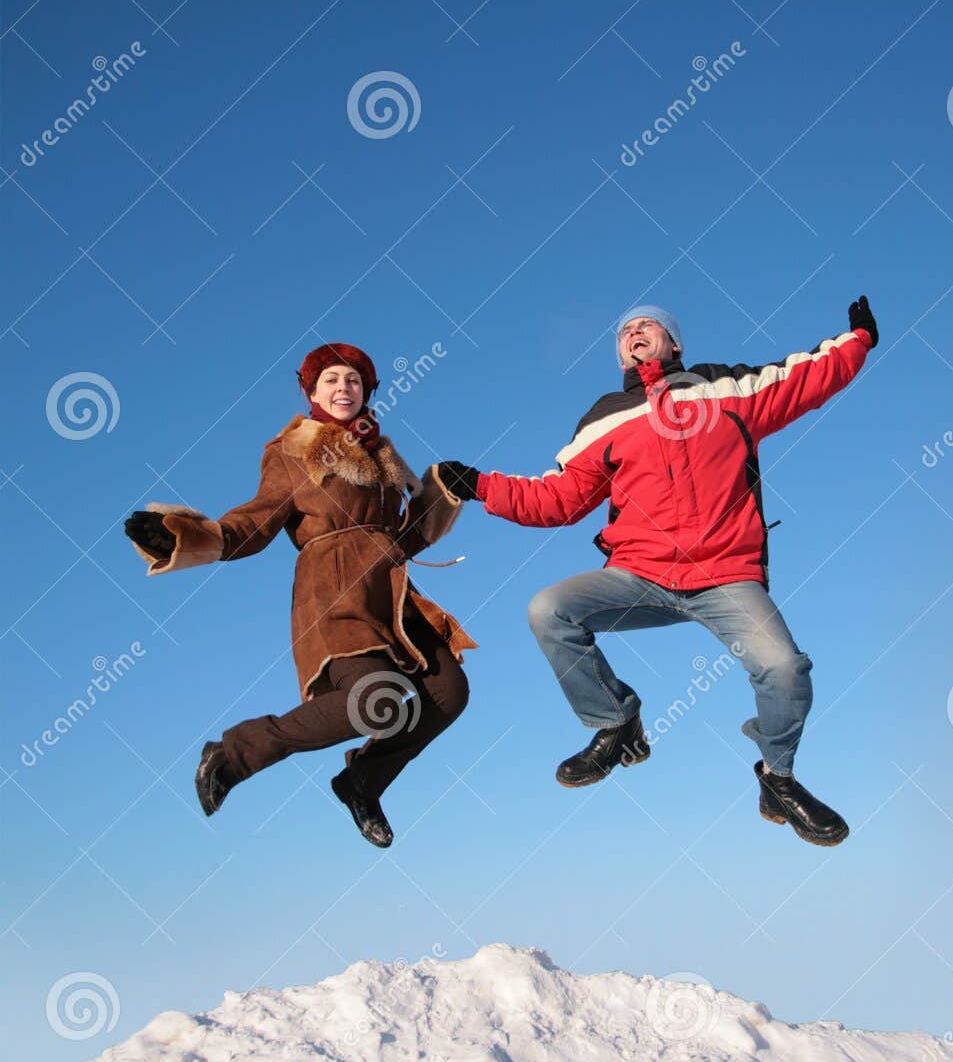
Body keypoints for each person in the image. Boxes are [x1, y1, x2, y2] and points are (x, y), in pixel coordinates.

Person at [437, 298, 878, 847]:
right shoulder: (604, 418)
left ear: (674, 343)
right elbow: (557, 499)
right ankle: (616, 723)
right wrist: (482, 486)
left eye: (646, 325)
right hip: (638, 576)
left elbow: (807, 377)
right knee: (548, 609)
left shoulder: (727, 390)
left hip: (726, 577)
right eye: (624, 331)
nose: (633, 333)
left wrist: (858, 339)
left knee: (785, 669)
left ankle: (778, 778)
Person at [124, 343, 475, 848]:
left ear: (367, 390)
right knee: (374, 701)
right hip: (333, 595)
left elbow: (405, 535)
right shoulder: (293, 451)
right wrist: (189, 535)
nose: (342, 388)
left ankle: (362, 782)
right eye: (330, 380)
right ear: (311, 390)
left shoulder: (382, 454)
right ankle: (234, 753)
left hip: (392, 594)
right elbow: (254, 521)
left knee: (449, 695)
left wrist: (443, 493)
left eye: (353, 380)